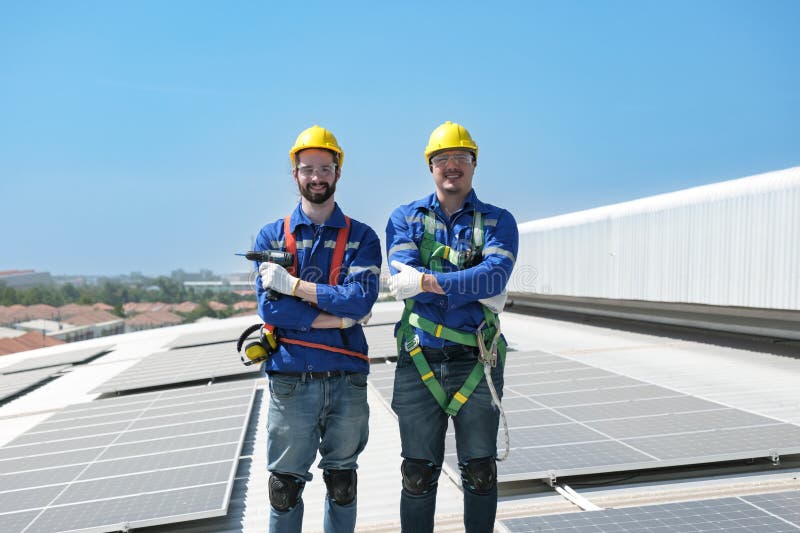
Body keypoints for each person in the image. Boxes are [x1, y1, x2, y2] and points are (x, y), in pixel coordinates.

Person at [385, 121, 518, 532]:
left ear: (474, 164)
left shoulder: (498, 221)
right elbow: (398, 276)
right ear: (430, 167)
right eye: (442, 159)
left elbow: (493, 278)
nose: (451, 166)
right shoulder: (405, 218)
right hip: (419, 357)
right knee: (418, 474)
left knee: (480, 472)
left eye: (460, 157)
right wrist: (469, 284)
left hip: (476, 358)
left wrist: (426, 281)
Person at [254, 125, 381, 533]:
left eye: (325, 167)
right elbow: (271, 310)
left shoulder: (362, 237)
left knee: (342, 482)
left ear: (338, 171)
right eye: (307, 168)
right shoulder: (273, 236)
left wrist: (296, 288)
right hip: (291, 379)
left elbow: (360, 301)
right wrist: (337, 316)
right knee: (284, 488)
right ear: (295, 174)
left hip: (346, 379)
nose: (316, 177)